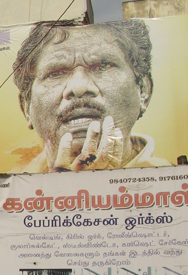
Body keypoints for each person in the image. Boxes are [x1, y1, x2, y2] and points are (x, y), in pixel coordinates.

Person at [12, 19, 171, 173]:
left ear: (143, 90)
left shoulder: (175, 184)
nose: (79, 87)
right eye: (56, 73)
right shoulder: (4, 191)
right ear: (27, 106)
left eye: (102, 66)